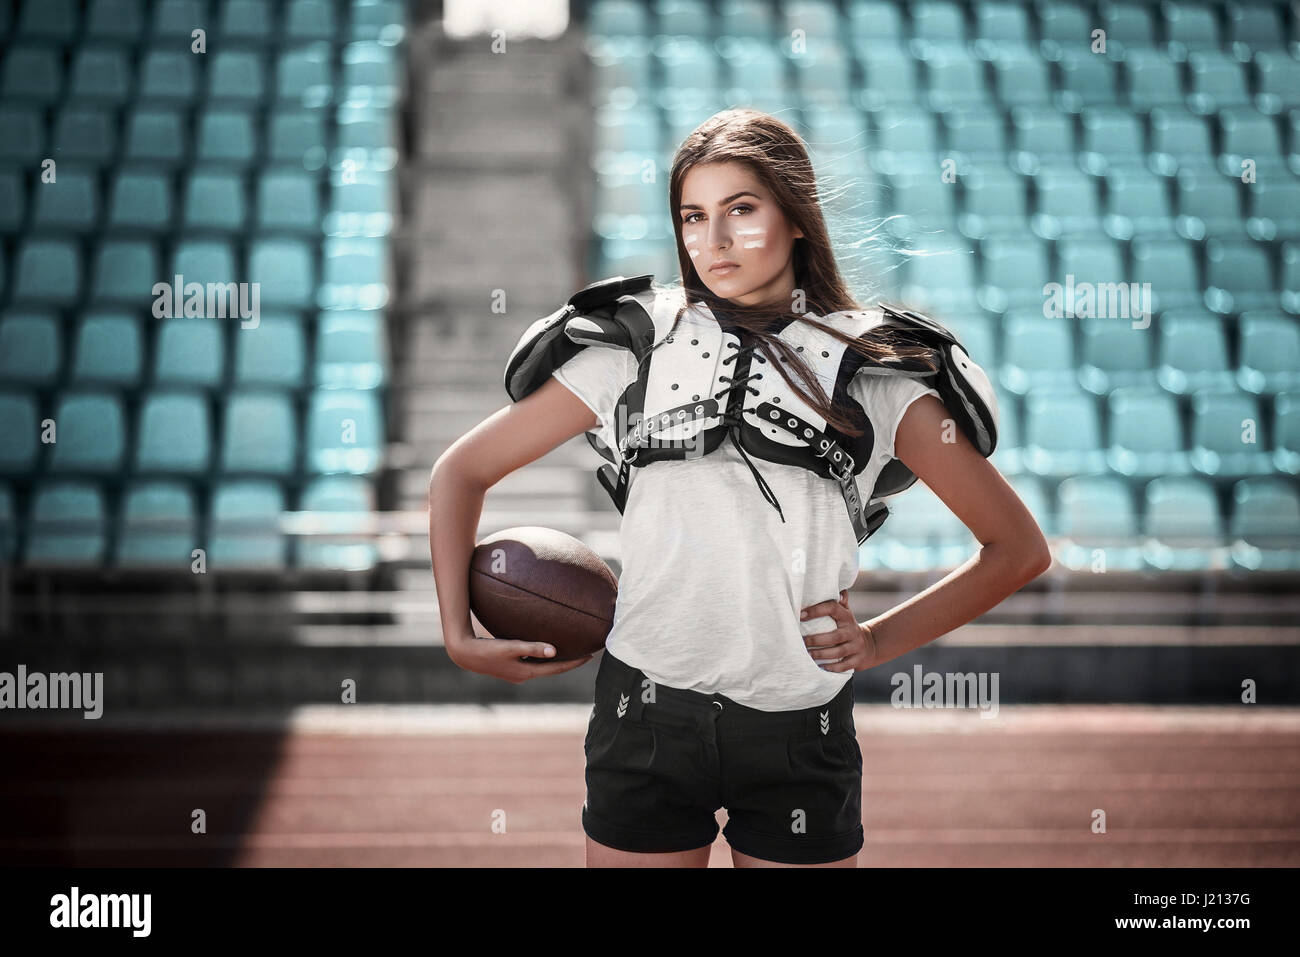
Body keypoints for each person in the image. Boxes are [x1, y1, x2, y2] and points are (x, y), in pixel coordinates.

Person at [429, 109, 1052, 868]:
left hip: (800, 727)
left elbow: (1016, 548)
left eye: (741, 210)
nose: (712, 239)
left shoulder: (876, 371)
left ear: (796, 217)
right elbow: (460, 471)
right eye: (693, 216)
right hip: (643, 712)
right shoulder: (635, 350)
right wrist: (459, 631)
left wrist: (881, 639)